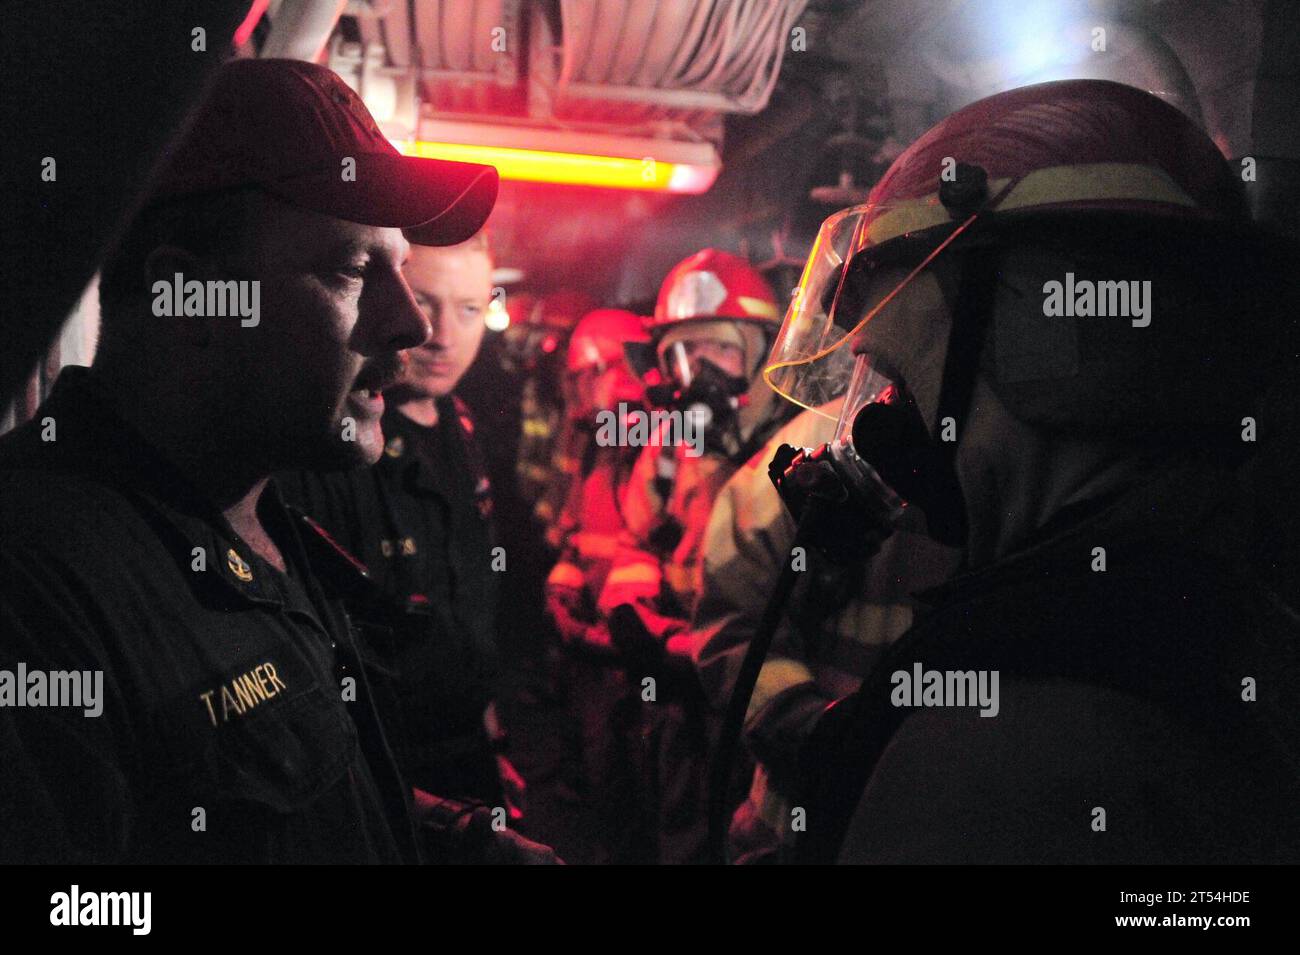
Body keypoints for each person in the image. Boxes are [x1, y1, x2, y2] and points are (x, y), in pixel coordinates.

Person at [0, 57, 553, 863]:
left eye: (400, 269)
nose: (409, 324)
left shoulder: (253, 514)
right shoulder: (33, 590)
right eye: (351, 268)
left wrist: (441, 836)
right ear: (187, 299)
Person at [761, 79, 1300, 863]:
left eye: (900, 379)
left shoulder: (1010, 738)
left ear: (1041, 340)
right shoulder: (1219, 621)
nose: (881, 425)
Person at [280, 229, 526, 813]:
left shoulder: (461, 428)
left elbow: (469, 606)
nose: (441, 336)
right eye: (423, 302)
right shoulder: (334, 443)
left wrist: (492, 741)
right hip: (374, 773)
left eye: (470, 309)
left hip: (463, 756)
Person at [691, 401, 959, 862]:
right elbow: (735, 615)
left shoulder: (1008, 450)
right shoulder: (819, 439)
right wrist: (812, 729)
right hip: (790, 825)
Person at [596, 249, 792, 863]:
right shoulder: (669, 445)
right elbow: (634, 541)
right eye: (682, 355)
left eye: (719, 351)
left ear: (765, 353)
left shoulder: (804, 451)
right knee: (681, 837)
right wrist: (636, 617)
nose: (698, 374)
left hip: (766, 711)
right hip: (684, 702)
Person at [543, 308, 652, 860]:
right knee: (605, 778)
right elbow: (577, 533)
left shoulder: (660, 443)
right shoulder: (600, 441)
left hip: (637, 657)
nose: (581, 390)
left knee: (643, 792)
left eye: (590, 375)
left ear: (621, 368)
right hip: (596, 650)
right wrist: (562, 587)